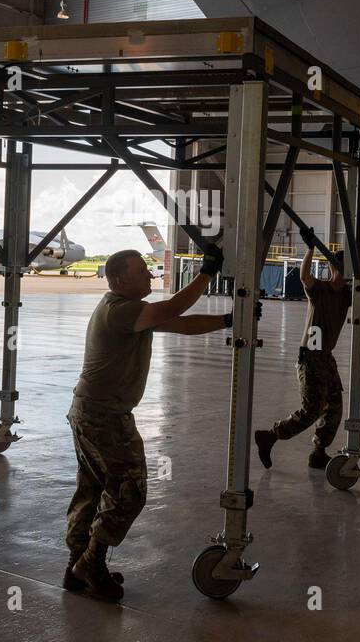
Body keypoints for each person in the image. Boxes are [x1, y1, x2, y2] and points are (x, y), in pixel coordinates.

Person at [64, 246, 235, 602]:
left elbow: (180, 324)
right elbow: (173, 308)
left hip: (93, 412)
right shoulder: (120, 310)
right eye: (141, 271)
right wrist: (206, 273)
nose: (149, 275)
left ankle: (77, 564)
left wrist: (226, 321)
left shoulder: (131, 312)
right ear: (119, 280)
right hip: (103, 416)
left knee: (93, 489)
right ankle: (91, 564)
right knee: (130, 490)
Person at [255, 228, 353, 470]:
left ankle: (319, 452)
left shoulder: (348, 295)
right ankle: (270, 435)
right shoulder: (319, 290)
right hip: (310, 356)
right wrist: (309, 249)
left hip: (326, 358)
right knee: (312, 410)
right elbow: (304, 276)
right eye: (338, 267)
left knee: (334, 409)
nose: (340, 272)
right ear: (332, 268)